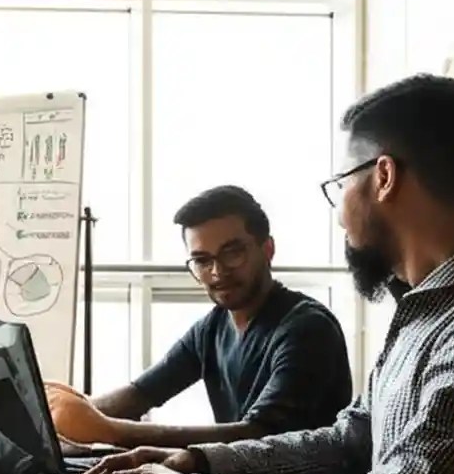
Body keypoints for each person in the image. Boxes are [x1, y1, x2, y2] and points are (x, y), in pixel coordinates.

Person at [84, 74, 454, 474]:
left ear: (383, 177)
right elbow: (350, 439)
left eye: (338, 186)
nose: (338, 215)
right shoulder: (425, 309)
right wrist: (198, 462)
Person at [46, 186, 352, 454]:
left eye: (232, 253)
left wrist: (110, 431)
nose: (217, 272)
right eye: (203, 261)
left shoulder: (308, 329)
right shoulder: (214, 326)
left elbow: (259, 438)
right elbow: (141, 394)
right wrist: (59, 418)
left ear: (267, 249)